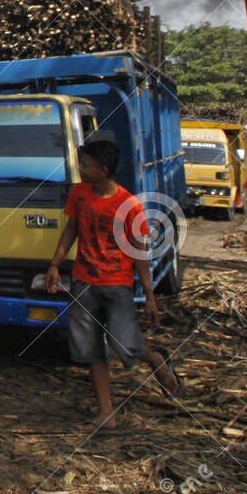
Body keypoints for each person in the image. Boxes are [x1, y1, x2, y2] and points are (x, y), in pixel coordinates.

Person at [44, 139, 182, 432]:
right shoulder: (79, 193)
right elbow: (71, 230)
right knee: (91, 349)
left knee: (125, 344)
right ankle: (107, 413)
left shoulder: (129, 206)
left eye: (85, 165)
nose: (80, 169)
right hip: (84, 282)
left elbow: (140, 253)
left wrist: (149, 294)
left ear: (103, 170)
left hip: (117, 285)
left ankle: (156, 359)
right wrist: (55, 264)